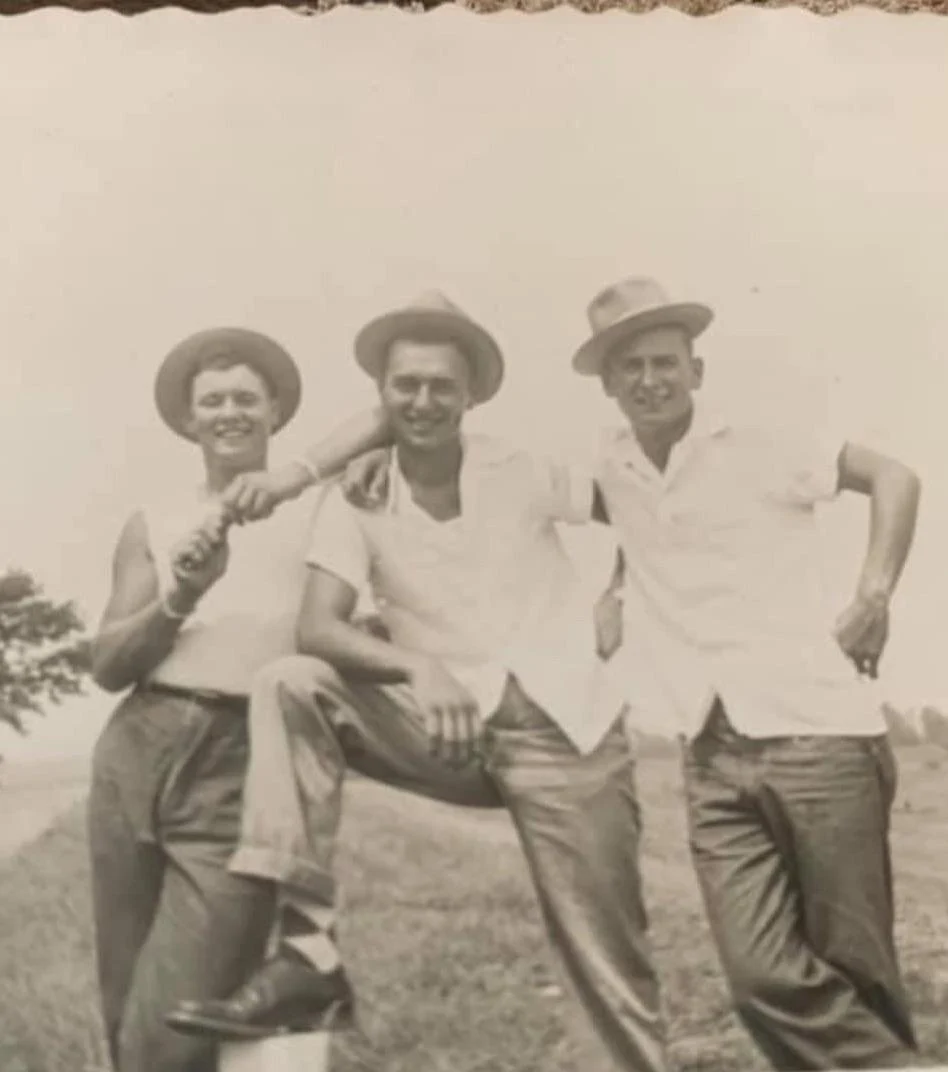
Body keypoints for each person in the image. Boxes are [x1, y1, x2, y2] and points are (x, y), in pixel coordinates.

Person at [165, 291, 669, 1072]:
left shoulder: (524, 470)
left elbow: (651, 504)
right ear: (382, 396)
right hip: (446, 731)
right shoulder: (357, 495)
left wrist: (619, 599)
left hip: (567, 731)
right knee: (291, 681)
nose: (423, 401)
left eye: (442, 386)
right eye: (406, 385)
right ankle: (307, 959)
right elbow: (319, 627)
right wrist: (416, 665)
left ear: (470, 395)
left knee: (608, 964)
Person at [572, 277, 923, 1070]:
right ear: (608, 383)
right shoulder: (617, 465)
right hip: (710, 750)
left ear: (696, 370)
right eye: (630, 368)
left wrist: (874, 594)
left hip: (822, 739)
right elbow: (644, 525)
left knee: (856, 972)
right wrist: (614, 585)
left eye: (665, 363)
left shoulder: (762, 441)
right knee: (758, 976)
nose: (650, 381)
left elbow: (895, 477)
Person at [87, 327, 388, 1072]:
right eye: (212, 400)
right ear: (188, 420)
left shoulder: (323, 504)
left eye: (246, 398)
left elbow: (386, 412)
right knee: (124, 1012)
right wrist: (181, 597)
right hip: (136, 749)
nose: (229, 412)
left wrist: (295, 475)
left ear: (276, 411)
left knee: (174, 1031)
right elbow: (108, 665)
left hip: (241, 758)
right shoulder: (153, 521)